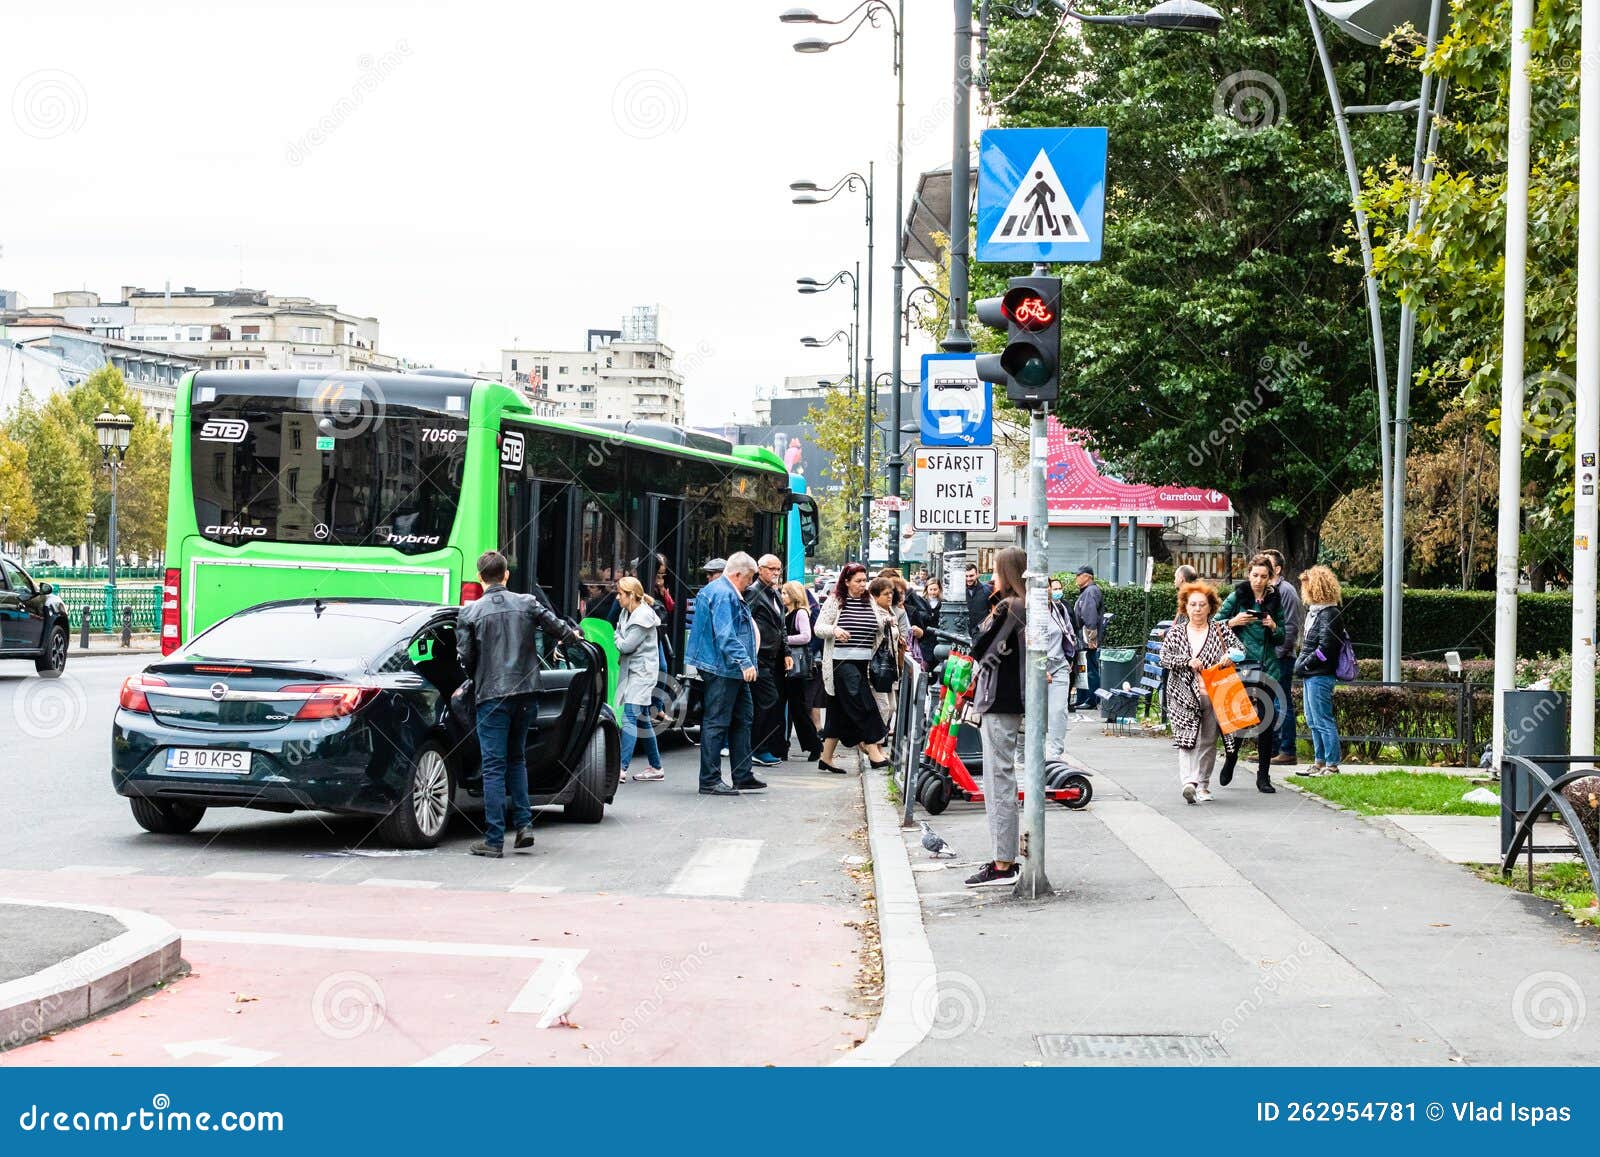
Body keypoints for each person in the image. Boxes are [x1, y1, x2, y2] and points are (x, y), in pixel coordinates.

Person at [457, 550, 584, 857]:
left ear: (480, 577)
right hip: (526, 693)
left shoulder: (470, 613)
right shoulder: (526, 603)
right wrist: (575, 637)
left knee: (493, 765)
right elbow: (560, 630)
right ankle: (525, 825)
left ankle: (494, 839)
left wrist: (473, 680)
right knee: (517, 759)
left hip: (492, 696)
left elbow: (465, 658)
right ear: (506, 575)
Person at [965, 547, 1029, 888]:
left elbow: (982, 648)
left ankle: (1004, 862)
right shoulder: (1028, 605)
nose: (992, 577)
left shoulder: (1011, 607)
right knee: (1001, 777)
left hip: (1000, 699)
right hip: (1015, 699)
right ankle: (1003, 857)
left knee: (997, 780)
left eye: (996, 571)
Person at [684, 552, 765, 796]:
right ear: (738, 574)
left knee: (742, 718)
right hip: (724, 668)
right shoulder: (724, 594)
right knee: (717, 722)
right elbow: (725, 635)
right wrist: (745, 662)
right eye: (749, 578)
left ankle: (742, 775)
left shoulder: (719, 591)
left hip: (725, 667)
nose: (750, 583)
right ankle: (710, 780)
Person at [1159, 581, 1245, 805]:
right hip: (1183, 695)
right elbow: (1165, 657)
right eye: (1193, 604)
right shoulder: (1176, 633)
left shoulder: (1220, 629)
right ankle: (1189, 783)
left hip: (1214, 693)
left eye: (1202, 605)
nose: (1197, 609)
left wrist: (1231, 656)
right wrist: (1187, 661)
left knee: (1208, 740)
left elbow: (1241, 651)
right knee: (1187, 740)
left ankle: (1203, 784)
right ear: (1185, 607)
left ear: (1210, 607)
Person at [814, 564, 894, 773]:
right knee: (863, 703)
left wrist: (888, 620)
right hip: (840, 662)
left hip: (864, 663)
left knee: (838, 711)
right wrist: (835, 629)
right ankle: (874, 752)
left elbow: (879, 621)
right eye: (858, 581)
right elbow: (818, 628)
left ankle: (826, 757)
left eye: (864, 580)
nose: (862, 585)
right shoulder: (836, 601)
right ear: (846, 581)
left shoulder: (869, 601)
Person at [1216, 553, 1286, 794]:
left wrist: (1274, 627)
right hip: (1241, 665)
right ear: (1249, 574)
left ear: (1270, 577)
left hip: (1267, 667)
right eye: (1255, 575)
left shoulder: (1275, 600)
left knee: (1267, 721)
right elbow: (1215, 624)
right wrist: (1233, 622)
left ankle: (1263, 776)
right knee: (1240, 720)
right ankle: (1231, 760)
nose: (1258, 580)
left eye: (1263, 576)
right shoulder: (1238, 596)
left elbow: (1283, 637)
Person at [1294, 565, 1347, 776]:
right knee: (1312, 719)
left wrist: (1306, 663)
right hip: (1311, 674)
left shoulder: (1329, 613)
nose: (1303, 590)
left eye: (1306, 585)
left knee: (1322, 719)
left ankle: (1332, 765)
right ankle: (1319, 762)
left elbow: (1326, 648)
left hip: (1320, 675)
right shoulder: (1315, 613)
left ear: (1315, 587)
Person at [613, 576, 664, 783]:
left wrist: (617, 637)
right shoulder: (628, 611)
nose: (617, 598)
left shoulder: (642, 616)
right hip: (635, 671)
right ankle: (656, 767)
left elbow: (626, 646)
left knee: (630, 718)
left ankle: (621, 769)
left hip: (642, 673)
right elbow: (621, 636)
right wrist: (619, 636)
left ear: (631, 595)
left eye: (620, 594)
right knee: (642, 721)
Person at [747, 554, 789, 766]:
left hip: (772, 658)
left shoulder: (775, 594)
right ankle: (757, 747)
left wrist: (787, 652)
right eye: (771, 569)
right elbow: (745, 625)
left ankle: (758, 747)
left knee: (769, 701)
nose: (775, 573)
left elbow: (781, 626)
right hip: (758, 657)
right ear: (760, 569)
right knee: (767, 700)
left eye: (778, 569)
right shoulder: (753, 593)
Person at [1262, 548, 1302, 767]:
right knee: (1271, 704)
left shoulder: (1285, 591)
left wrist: (1276, 654)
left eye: (1267, 565)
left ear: (1277, 569)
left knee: (1282, 703)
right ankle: (1273, 749)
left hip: (1281, 658)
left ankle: (1287, 750)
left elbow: (1291, 628)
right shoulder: (1268, 591)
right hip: (1271, 657)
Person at [779, 580, 823, 760]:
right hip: (789, 667)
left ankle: (814, 745)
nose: (782, 596)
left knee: (797, 708)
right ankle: (788, 745)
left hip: (795, 669)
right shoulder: (789, 612)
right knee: (794, 708)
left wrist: (783, 639)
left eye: (785, 593)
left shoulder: (800, 613)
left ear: (794, 596)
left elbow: (806, 636)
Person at [1043, 576, 1079, 759]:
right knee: (1032, 715)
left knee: (1058, 711)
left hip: (1059, 666)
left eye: (1048, 586)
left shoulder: (1059, 608)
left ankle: (1055, 754)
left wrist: (1069, 656)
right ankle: (1023, 756)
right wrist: (1040, 668)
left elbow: (1069, 631)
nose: (1047, 590)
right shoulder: (1029, 612)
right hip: (1037, 669)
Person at [868, 575, 909, 727]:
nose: (890, 596)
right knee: (883, 707)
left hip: (890, 667)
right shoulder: (874, 613)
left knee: (892, 707)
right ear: (875, 596)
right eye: (886, 594)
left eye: (891, 592)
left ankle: (878, 742)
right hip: (876, 667)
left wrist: (899, 642)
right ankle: (875, 745)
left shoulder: (891, 612)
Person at [1071, 565, 1105, 710]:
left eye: (1078, 575)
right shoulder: (1088, 591)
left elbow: (1090, 617)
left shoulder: (1090, 591)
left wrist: (1091, 640)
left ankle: (1092, 699)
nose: (1076, 578)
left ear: (1087, 576)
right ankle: (1084, 698)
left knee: (1090, 669)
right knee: (1085, 668)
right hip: (1084, 636)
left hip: (1087, 636)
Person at [917, 578, 944, 670]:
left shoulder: (943, 603)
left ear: (939, 589)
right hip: (924, 639)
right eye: (931, 589)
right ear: (927, 589)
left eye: (935, 589)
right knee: (924, 665)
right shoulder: (921, 603)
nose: (933, 592)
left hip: (938, 638)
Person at [963, 563, 993, 633]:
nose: (968, 579)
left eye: (971, 576)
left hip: (982, 633)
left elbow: (993, 610)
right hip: (964, 632)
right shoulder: (959, 592)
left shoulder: (987, 589)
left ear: (977, 575)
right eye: (966, 576)